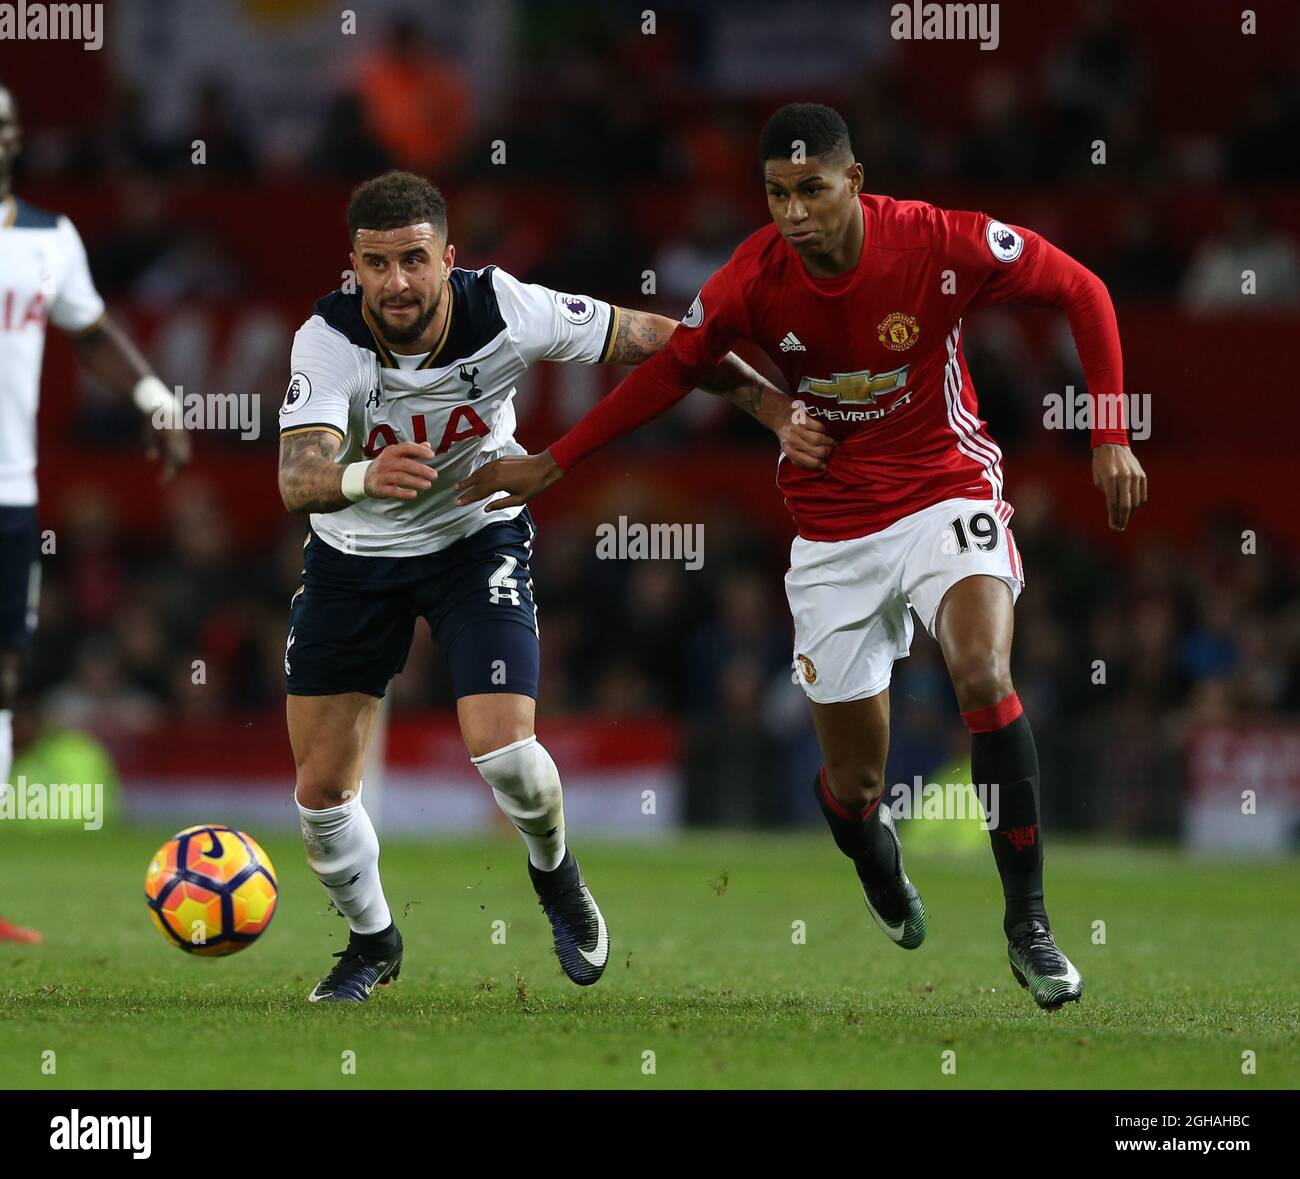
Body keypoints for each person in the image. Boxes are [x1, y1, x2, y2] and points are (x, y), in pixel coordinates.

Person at [455, 104, 1149, 1010]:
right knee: (856, 783)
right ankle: (873, 852)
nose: (794, 211)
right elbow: (675, 366)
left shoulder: (937, 242)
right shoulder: (753, 277)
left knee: (983, 671)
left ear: (853, 182)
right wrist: (555, 460)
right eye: (778, 193)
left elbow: (1083, 289)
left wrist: (1110, 430)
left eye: (812, 190)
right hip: (831, 533)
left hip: (945, 489)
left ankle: (1029, 924)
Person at [277, 170, 818, 1001]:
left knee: (507, 753)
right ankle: (372, 942)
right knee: (320, 792)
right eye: (376, 265)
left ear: (446, 257)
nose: (395, 284)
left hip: (473, 535)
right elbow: (297, 474)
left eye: (413, 261)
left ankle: (556, 873)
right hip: (354, 557)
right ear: (353, 265)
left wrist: (774, 410)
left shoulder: (505, 309)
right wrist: (360, 475)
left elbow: (672, 341)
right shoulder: (328, 338)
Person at [0, 84, 189, 945]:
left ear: (17, 138)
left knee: (4, 678)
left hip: (11, 488)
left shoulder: (48, 239)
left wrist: (152, 391)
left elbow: (90, 328)